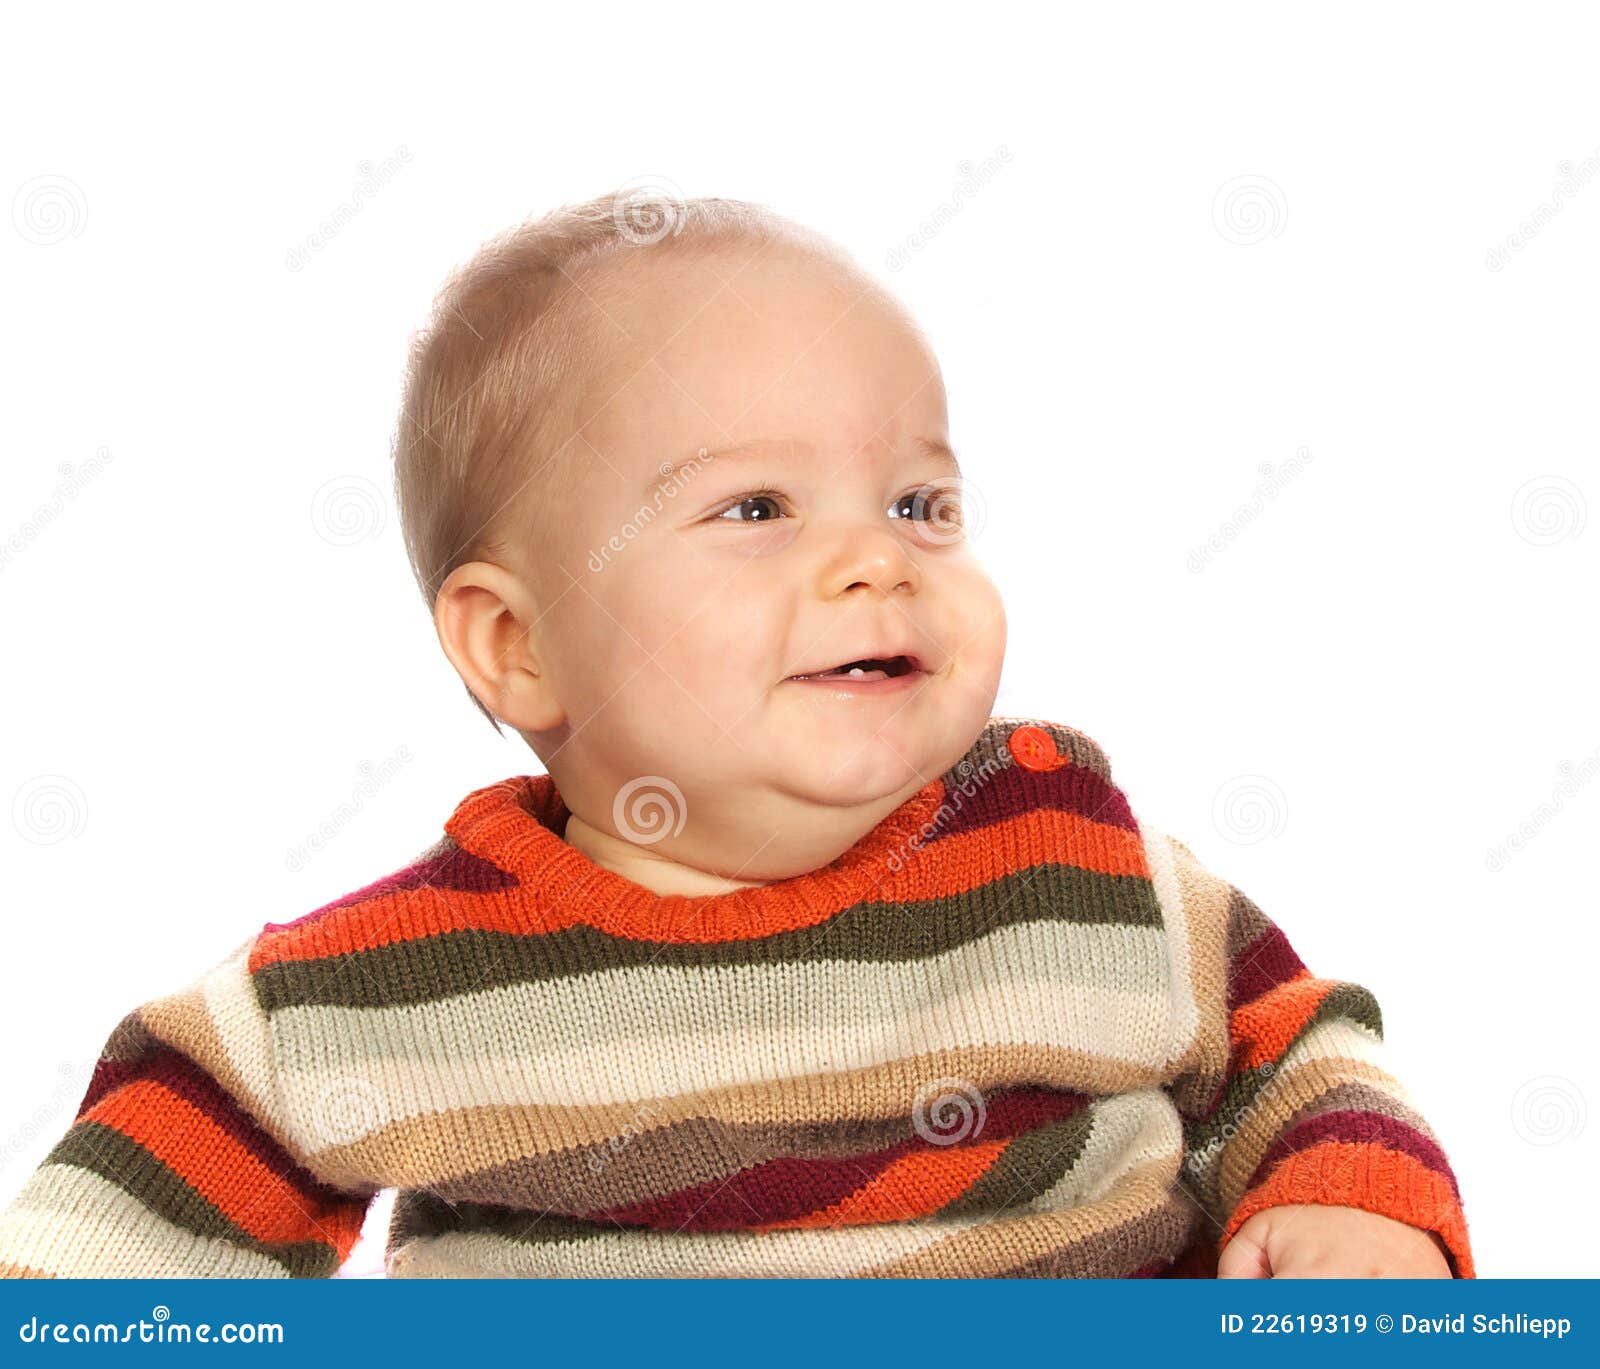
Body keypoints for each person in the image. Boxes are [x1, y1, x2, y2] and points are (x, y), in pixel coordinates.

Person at [0, 191, 1472, 1278]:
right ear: (515, 645)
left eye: (920, 504)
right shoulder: (388, 991)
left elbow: (1293, 1039)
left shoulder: (1067, 860)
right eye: (757, 510)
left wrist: (1349, 1192)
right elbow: (109, 1239)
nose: (876, 559)